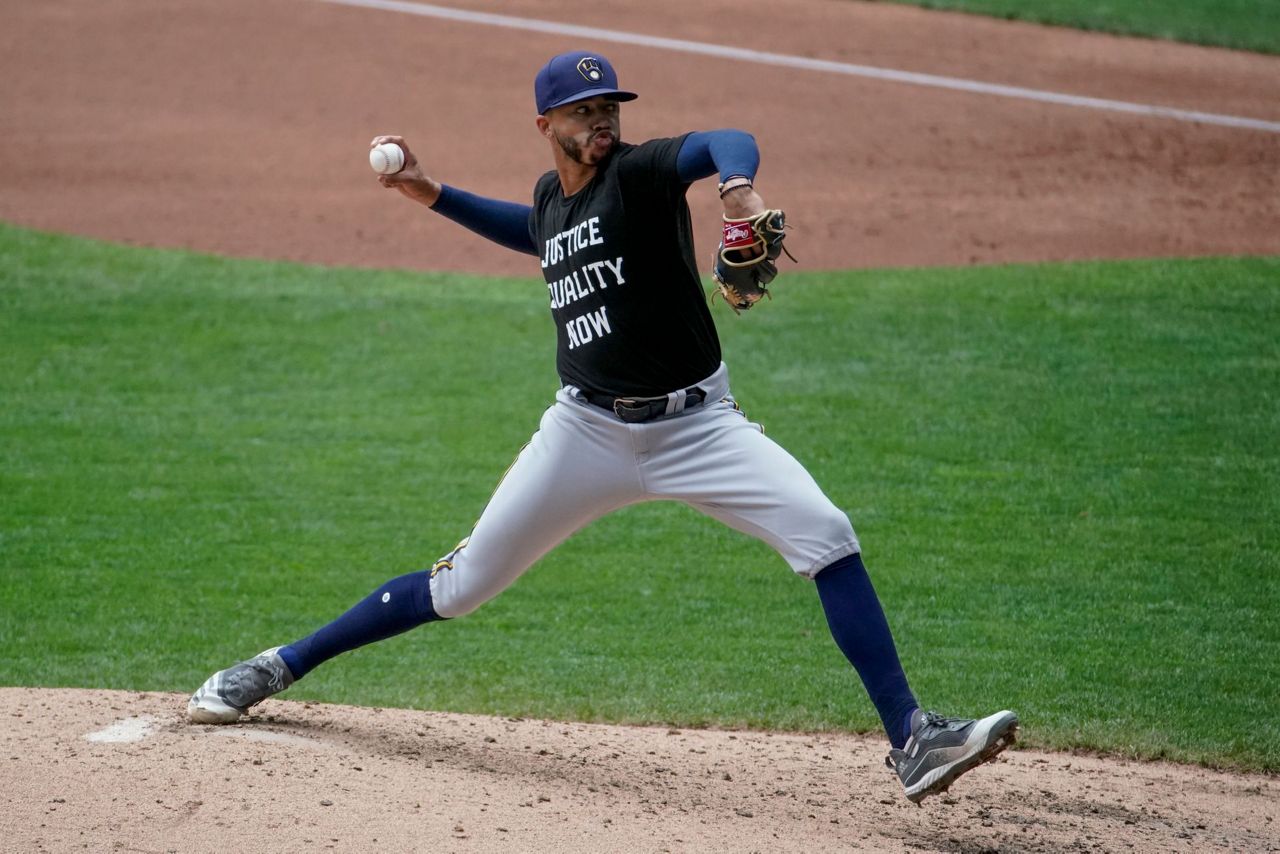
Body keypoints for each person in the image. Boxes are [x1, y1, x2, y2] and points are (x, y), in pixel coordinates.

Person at [188, 50, 1017, 804]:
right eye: (584, 112)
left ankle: (912, 738)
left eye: (609, 107)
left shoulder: (644, 173)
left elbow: (728, 136)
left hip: (701, 430)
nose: (603, 122)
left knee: (826, 531)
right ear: (545, 125)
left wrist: (736, 189)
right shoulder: (555, 198)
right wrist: (432, 193)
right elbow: (538, 234)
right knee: (461, 586)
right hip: (583, 435)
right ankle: (277, 665)